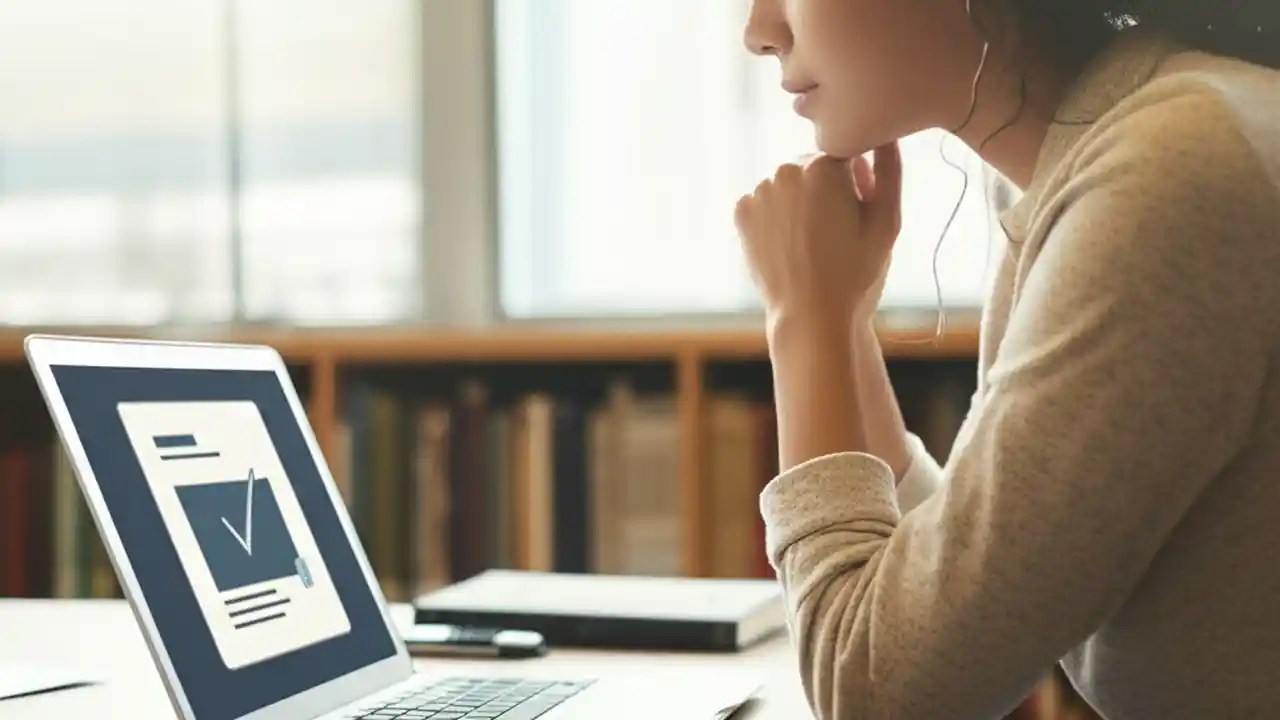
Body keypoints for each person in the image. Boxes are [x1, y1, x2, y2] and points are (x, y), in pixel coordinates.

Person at [732, 1, 1280, 718]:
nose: (759, 31)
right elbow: (975, 593)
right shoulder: (1102, 152)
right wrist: (841, 323)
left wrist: (802, 321)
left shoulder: (1170, 173)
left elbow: (877, 694)